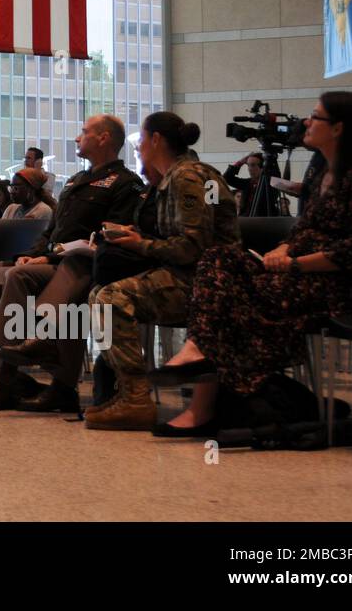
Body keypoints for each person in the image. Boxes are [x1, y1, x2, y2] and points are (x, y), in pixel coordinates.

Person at [153, 92, 352, 436]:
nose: (306, 123)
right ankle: (202, 357)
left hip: (338, 283)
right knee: (218, 259)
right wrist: (283, 249)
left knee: (233, 300)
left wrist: (296, 264)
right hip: (296, 273)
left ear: (340, 128)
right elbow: (303, 229)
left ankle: (203, 401)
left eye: (316, 117)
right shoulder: (319, 174)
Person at [0, 116, 143, 408]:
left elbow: (109, 238)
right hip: (47, 262)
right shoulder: (75, 181)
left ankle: (6, 380)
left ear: (105, 138)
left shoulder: (125, 184)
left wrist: (48, 255)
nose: (77, 138)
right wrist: (32, 254)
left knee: (18, 278)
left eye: (84, 132)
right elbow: (51, 231)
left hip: (78, 268)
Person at [61, 112, 240, 430]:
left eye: (142, 140)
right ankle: (125, 393)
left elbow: (191, 249)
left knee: (111, 298)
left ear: (157, 140)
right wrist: (137, 236)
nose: (139, 148)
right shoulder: (169, 179)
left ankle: (135, 398)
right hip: (186, 276)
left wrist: (138, 244)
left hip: (207, 286)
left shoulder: (189, 177)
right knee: (98, 293)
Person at [223, 152, 281, 217]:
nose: (249, 169)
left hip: (264, 221)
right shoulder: (247, 183)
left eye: (253, 165)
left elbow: (276, 175)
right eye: (248, 165)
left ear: (263, 167)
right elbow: (226, 178)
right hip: (246, 220)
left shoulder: (270, 183)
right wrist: (240, 162)